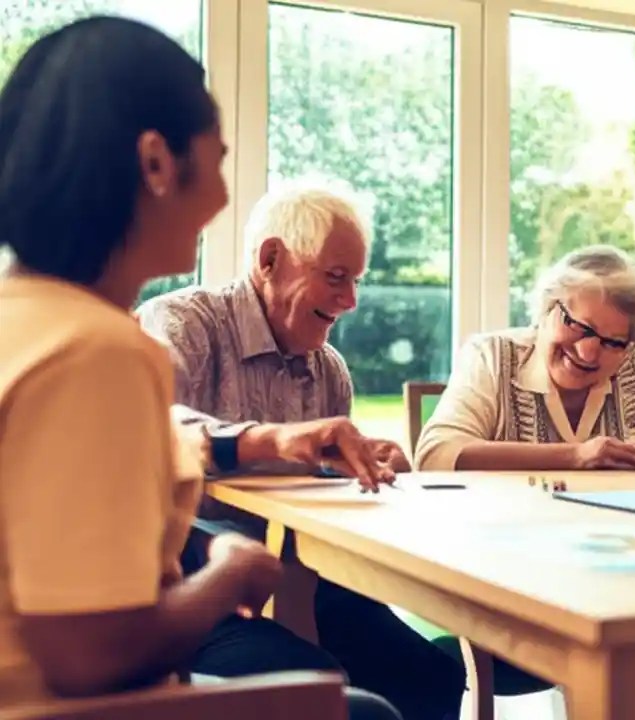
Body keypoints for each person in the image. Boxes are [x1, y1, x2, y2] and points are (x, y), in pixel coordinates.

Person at [0, 16, 398, 720]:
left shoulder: (25, 319)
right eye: (218, 155)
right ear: (157, 164)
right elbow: (91, 657)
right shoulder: (100, 351)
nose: (219, 196)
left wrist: (262, 453)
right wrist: (227, 575)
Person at [137, 181, 465, 720]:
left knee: (432, 675)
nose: (351, 301)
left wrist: (369, 471)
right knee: (327, 686)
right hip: (197, 579)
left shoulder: (329, 368)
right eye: (336, 277)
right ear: (270, 259)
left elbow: (326, 488)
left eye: (356, 282)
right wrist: (278, 439)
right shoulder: (181, 323)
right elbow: (156, 429)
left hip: (308, 574)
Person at [415, 245, 635, 471]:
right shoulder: (491, 357)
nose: (588, 352)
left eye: (613, 342)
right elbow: (436, 455)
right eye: (579, 326)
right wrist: (575, 456)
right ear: (549, 306)